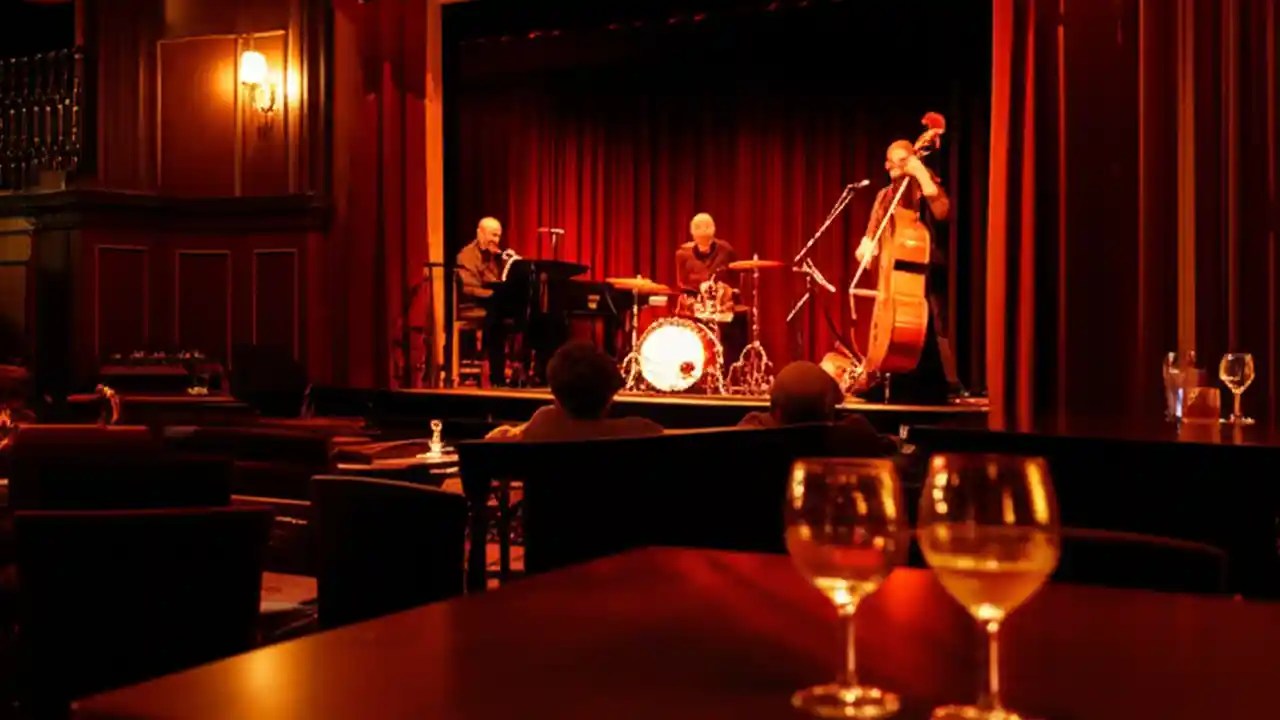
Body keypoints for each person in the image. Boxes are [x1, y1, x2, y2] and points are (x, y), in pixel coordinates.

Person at [854, 139, 962, 402]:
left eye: (905, 162)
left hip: (926, 271)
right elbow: (872, 232)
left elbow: (943, 212)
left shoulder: (923, 189)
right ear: (887, 165)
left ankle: (946, 383)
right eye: (895, 163)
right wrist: (866, 247)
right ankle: (884, 374)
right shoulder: (885, 196)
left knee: (934, 324)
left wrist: (921, 173)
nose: (899, 168)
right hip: (894, 278)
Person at [487, 341, 663, 442]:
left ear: (554, 394)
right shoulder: (641, 431)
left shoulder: (540, 428)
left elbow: (491, 444)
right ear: (610, 396)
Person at [674, 212, 745, 361]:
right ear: (693, 234)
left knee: (738, 323)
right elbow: (682, 284)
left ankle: (728, 365)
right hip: (696, 306)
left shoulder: (726, 251)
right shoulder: (682, 254)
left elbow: (736, 281)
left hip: (722, 305)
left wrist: (725, 293)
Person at [456, 217, 509, 387]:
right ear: (480, 234)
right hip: (473, 304)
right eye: (493, 235)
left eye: (499, 236)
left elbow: (503, 280)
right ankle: (496, 374)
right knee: (497, 315)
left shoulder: (496, 256)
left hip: (494, 303)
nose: (496, 240)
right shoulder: (466, 256)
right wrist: (493, 293)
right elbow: (469, 288)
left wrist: (509, 263)